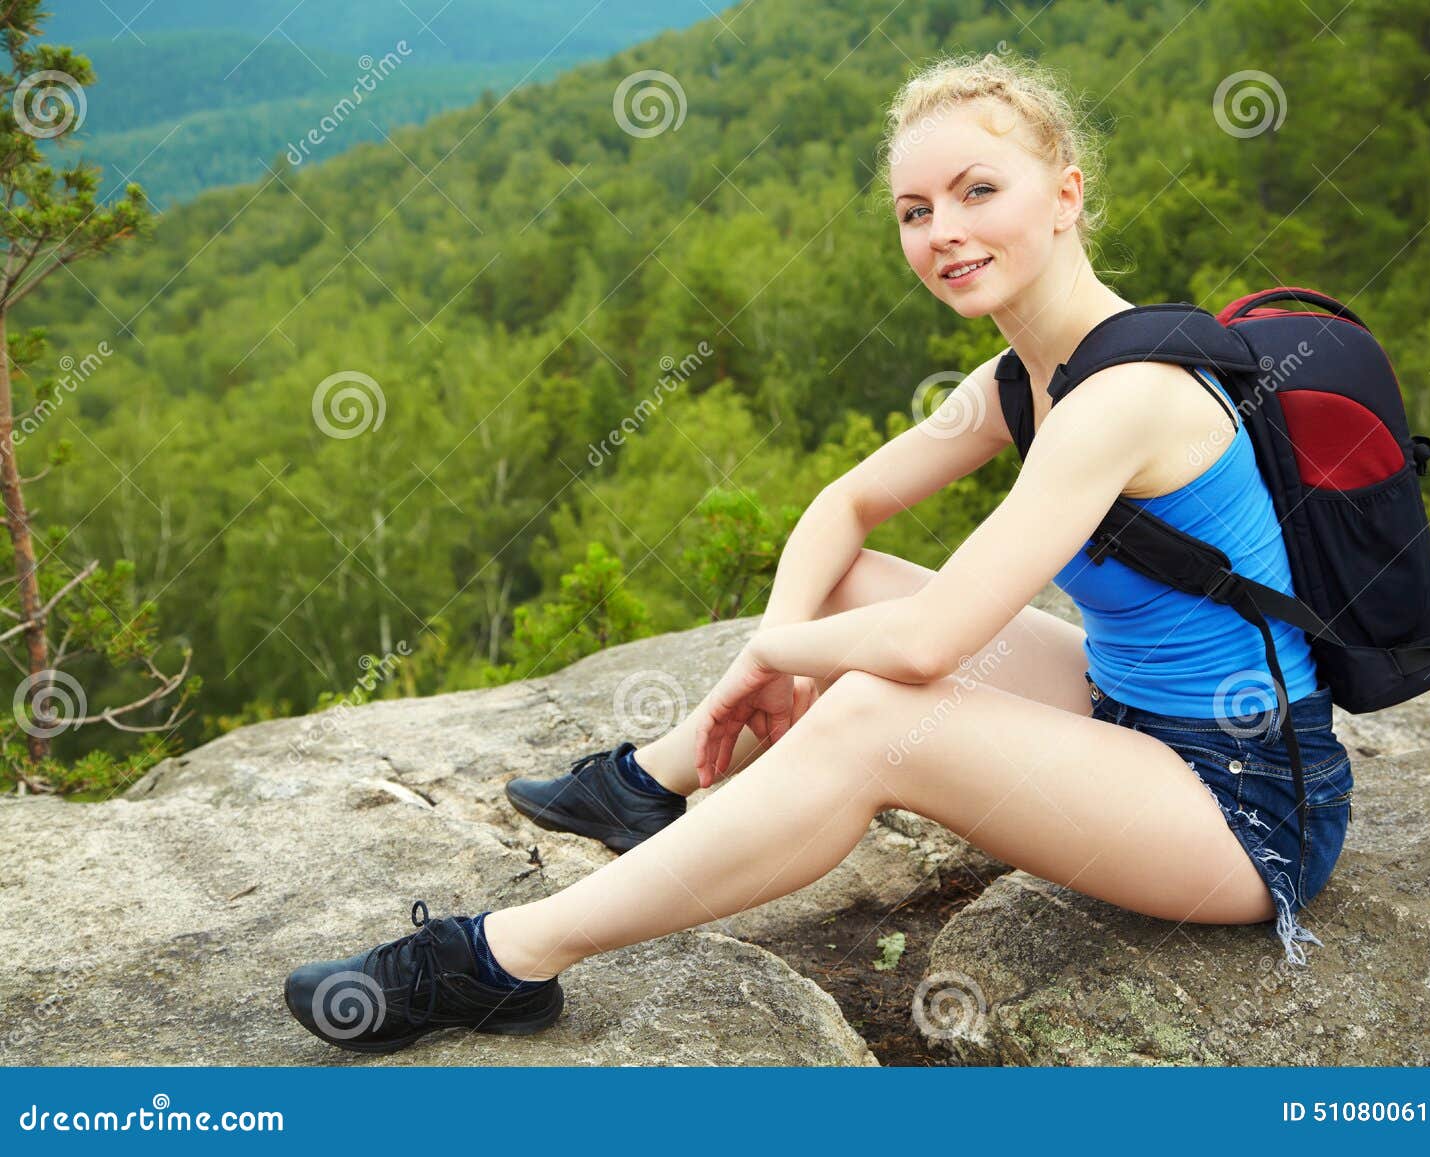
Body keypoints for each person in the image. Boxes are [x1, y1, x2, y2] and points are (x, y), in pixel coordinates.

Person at [284, 51, 1354, 1055]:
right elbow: (843, 505)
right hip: (1124, 714)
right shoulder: (1019, 380)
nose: (944, 230)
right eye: (915, 210)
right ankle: (648, 784)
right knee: (844, 592)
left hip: (1241, 800)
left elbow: (937, 637)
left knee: (877, 714)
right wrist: (786, 648)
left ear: (1067, 194)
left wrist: (773, 658)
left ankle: (502, 957)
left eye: (979, 191)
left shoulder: (1120, 397)